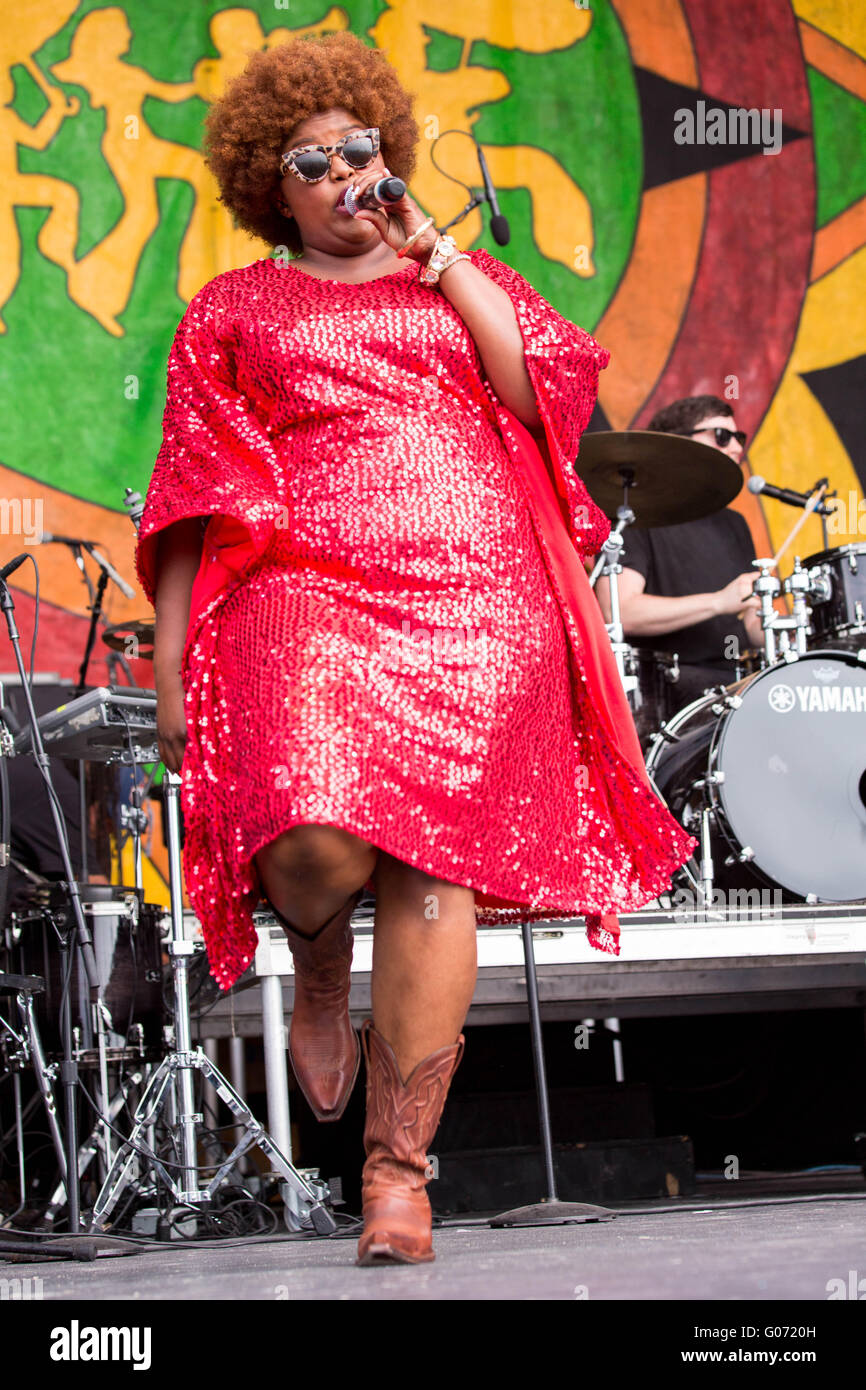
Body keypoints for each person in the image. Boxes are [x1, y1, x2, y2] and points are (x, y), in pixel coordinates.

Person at [134, 32, 694, 1266]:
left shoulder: (454, 277)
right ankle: (320, 961)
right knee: (313, 837)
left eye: (362, 149)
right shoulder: (233, 309)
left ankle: (397, 1176)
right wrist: (173, 667)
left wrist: (437, 255)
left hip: (471, 603)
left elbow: (537, 385)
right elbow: (187, 496)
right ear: (267, 187)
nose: (345, 173)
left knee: (435, 867)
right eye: (312, 160)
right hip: (300, 593)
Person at [596, 395, 764, 709]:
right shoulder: (635, 515)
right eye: (722, 436)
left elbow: (752, 620)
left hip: (737, 685)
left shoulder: (735, 524)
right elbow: (619, 611)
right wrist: (717, 603)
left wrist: (790, 630)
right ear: (677, 444)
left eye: (739, 438)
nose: (736, 448)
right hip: (666, 692)